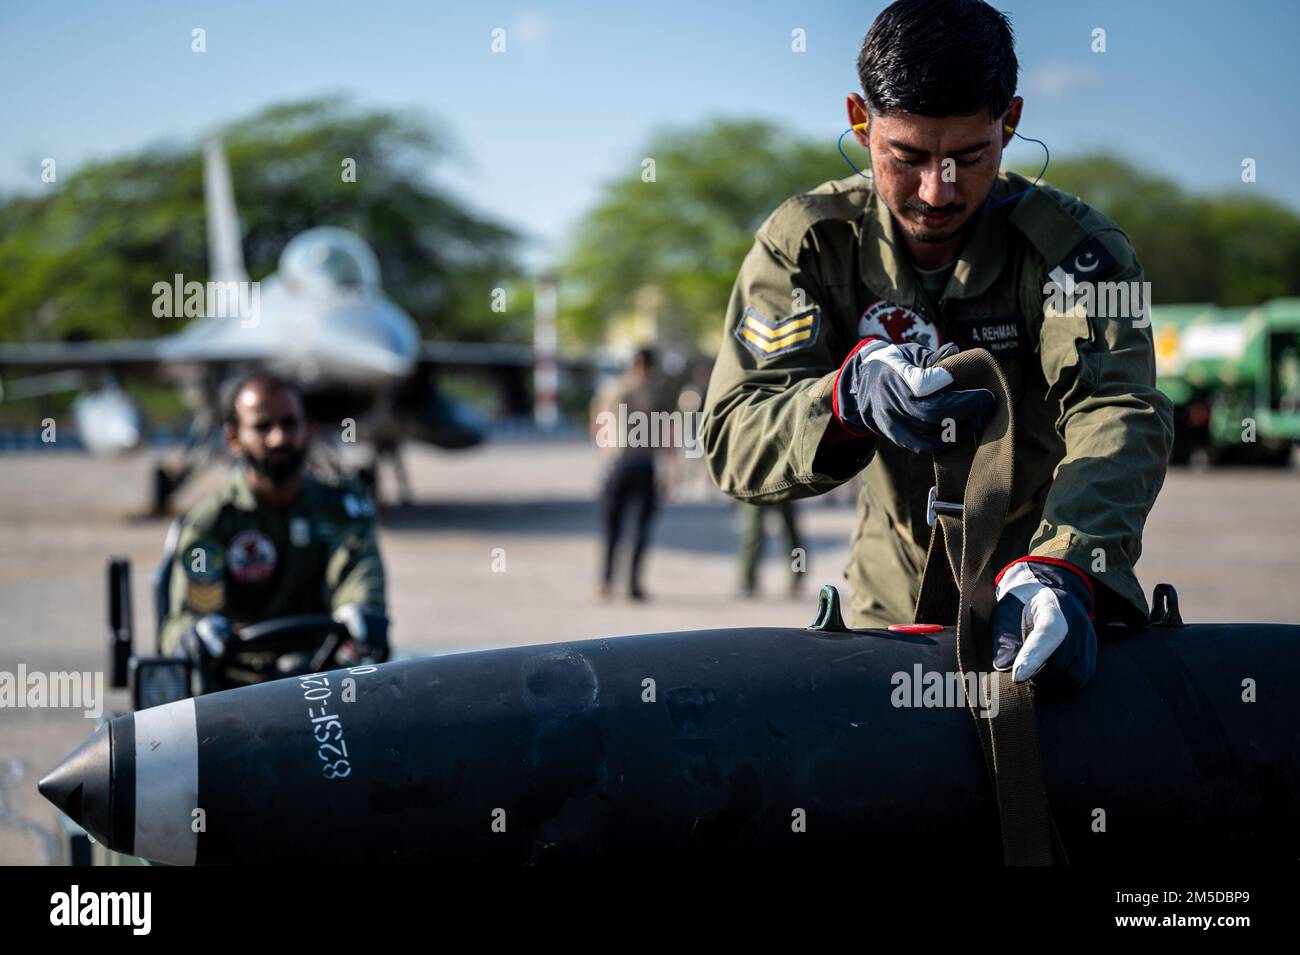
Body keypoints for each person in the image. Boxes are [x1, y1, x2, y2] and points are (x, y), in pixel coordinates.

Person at [701, 0, 1173, 691]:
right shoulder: (806, 245)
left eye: (967, 156)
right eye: (909, 156)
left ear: (1009, 123)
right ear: (860, 121)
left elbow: (1119, 407)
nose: (936, 190)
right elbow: (733, 429)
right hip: (884, 622)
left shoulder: (1078, 253)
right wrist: (845, 398)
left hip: (1046, 608)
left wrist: (1066, 564)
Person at [160, 373, 390, 686]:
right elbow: (190, 613)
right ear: (234, 439)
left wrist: (359, 611)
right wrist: (199, 630)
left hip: (327, 679)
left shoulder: (343, 509)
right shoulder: (212, 522)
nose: (279, 438)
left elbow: (360, 576)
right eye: (262, 426)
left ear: (307, 428)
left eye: (289, 423)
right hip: (237, 688)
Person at [591, 346, 670, 600]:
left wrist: (606, 448)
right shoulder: (657, 392)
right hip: (644, 465)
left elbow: (596, 422)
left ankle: (605, 583)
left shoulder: (612, 388)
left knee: (612, 528)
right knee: (640, 529)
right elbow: (667, 432)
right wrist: (669, 470)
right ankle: (634, 585)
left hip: (617, 465)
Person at [738, 502, 805, 598]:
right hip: (755, 489)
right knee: (753, 532)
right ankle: (748, 577)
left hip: (785, 490)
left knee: (791, 532)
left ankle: (798, 575)